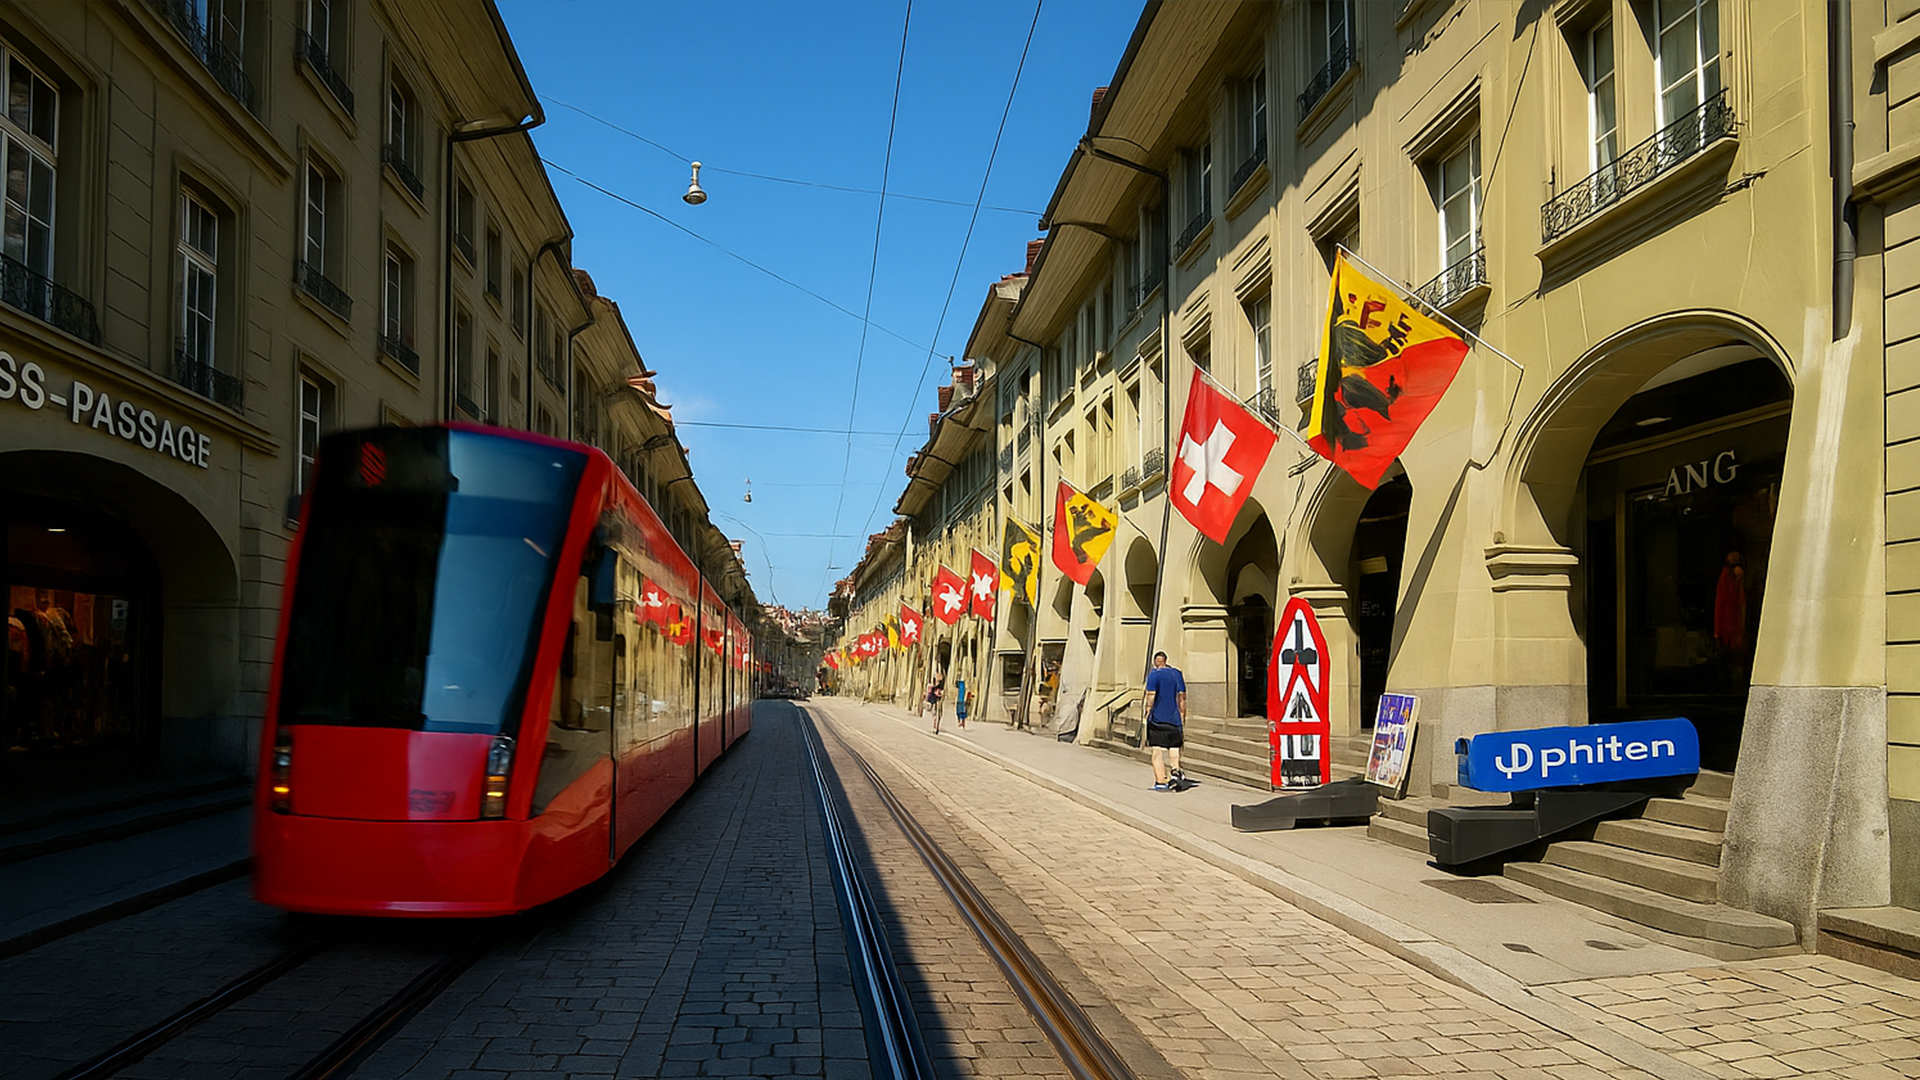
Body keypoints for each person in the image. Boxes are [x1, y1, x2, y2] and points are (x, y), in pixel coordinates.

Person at [1142, 651, 1187, 791]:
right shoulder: (1176, 674)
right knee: (1174, 749)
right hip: (1174, 720)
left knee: (1157, 751)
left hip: (1157, 720)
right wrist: (1182, 716)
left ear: (1156, 661)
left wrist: (1147, 712)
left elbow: (1151, 696)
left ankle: (1160, 782)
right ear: (1166, 660)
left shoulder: (1154, 675)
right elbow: (1182, 698)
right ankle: (1175, 771)